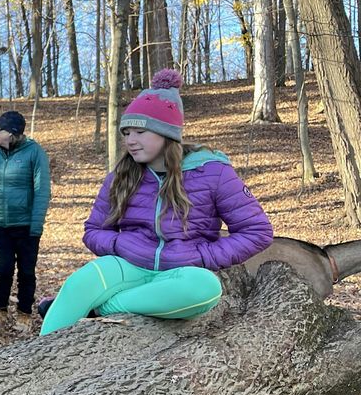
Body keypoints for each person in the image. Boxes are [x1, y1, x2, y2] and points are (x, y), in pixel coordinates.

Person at [40, 70, 273, 335]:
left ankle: (102, 309)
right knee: (80, 282)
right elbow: (93, 230)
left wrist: (202, 255)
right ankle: (35, 362)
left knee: (205, 289)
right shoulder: (122, 175)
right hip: (128, 265)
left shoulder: (213, 172)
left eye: (140, 131)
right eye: (126, 132)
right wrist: (119, 243)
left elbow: (257, 232)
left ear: (166, 134)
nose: (130, 141)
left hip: (180, 274)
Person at [0, 109, 50, 329]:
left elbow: (42, 190)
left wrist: (36, 224)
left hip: (26, 225)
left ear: (12, 132)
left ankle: (24, 314)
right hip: (0, 223)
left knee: (27, 271)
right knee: (3, 268)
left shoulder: (34, 152)